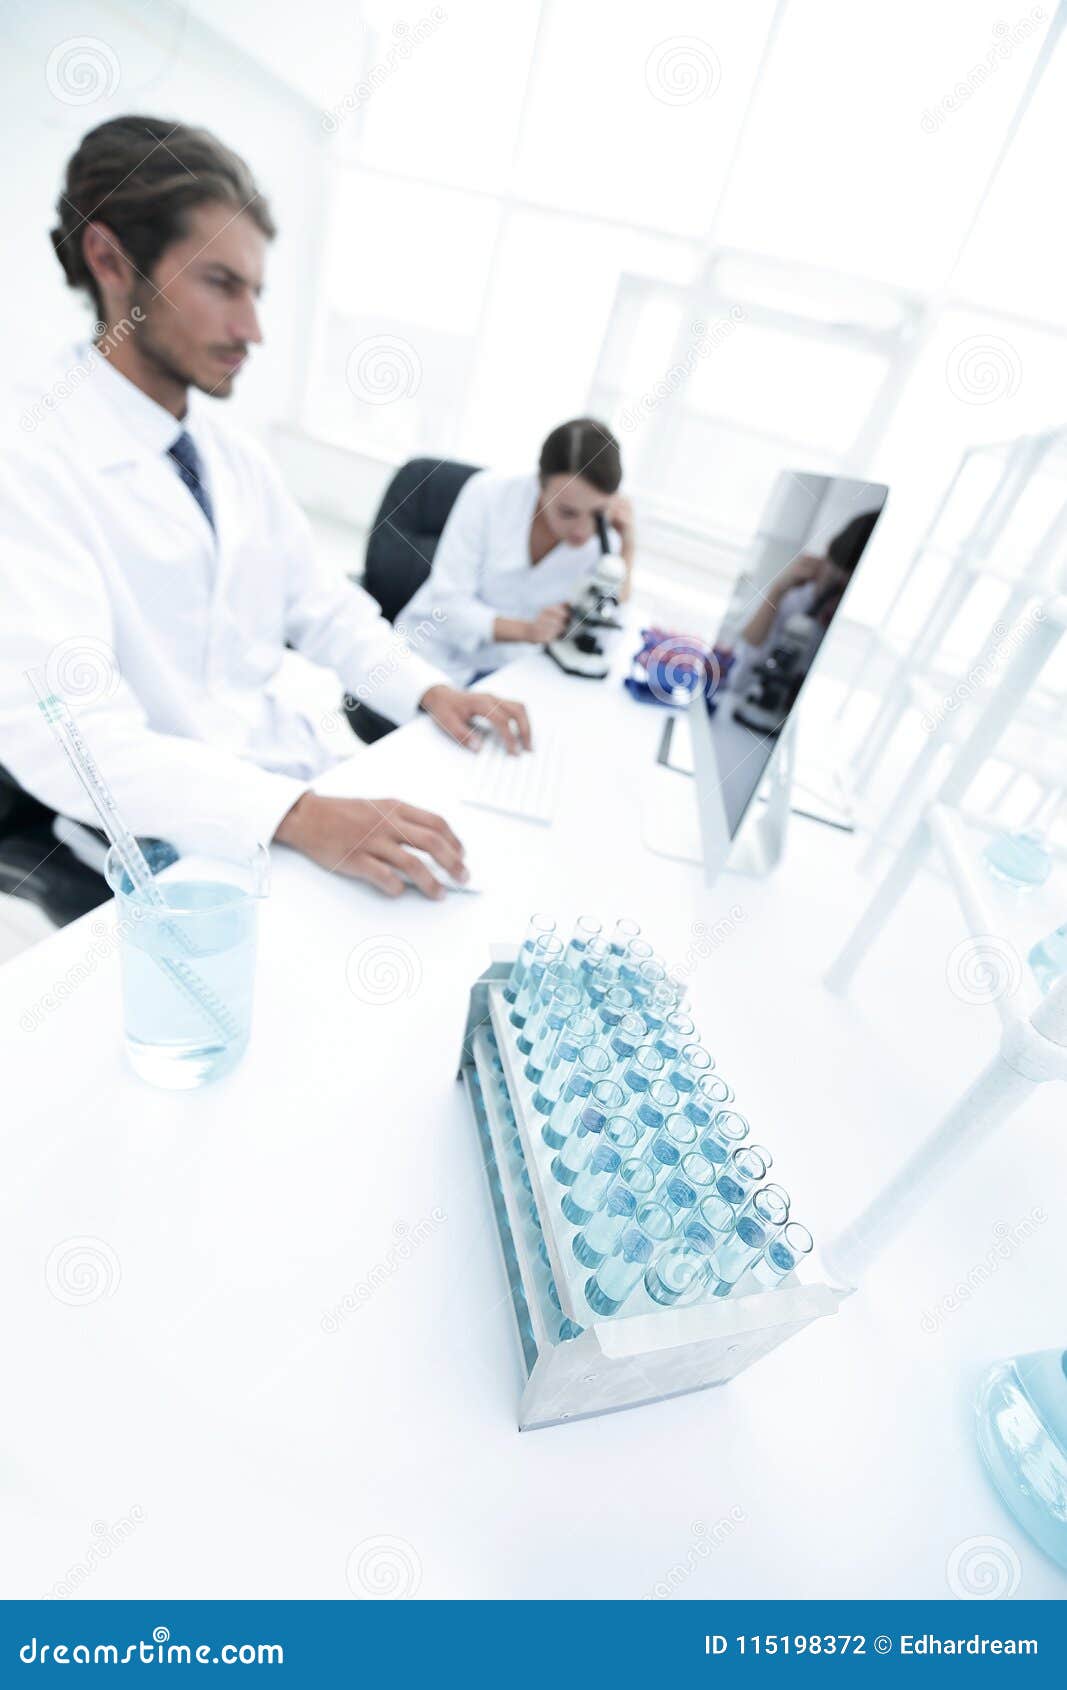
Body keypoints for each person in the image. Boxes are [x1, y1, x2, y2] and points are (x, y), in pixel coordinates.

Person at [0, 116, 531, 903]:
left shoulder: (229, 454)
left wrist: (428, 691)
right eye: (221, 284)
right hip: (171, 843)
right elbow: (73, 739)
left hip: (291, 782)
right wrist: (299, 816)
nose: (253, 330)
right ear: (109, 259)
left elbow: (321, 605)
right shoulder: (28, 456)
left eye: (255, 291)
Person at [395, 418, 635, 685]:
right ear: (540, 484)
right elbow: (447, 607)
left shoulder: (606, 541)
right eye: (567, 512)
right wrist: (527, 630)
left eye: (597, 513)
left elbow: (608, 635)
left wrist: (628, 548)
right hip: (430, 655)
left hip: (510, 672)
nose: (582, 529)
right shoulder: (488, 494)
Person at [730, 510, 881, 695]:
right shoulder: (796, 594)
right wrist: (777, 591)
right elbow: (747, 651)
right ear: (825, 556)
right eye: (833, 575)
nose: (833, 591)